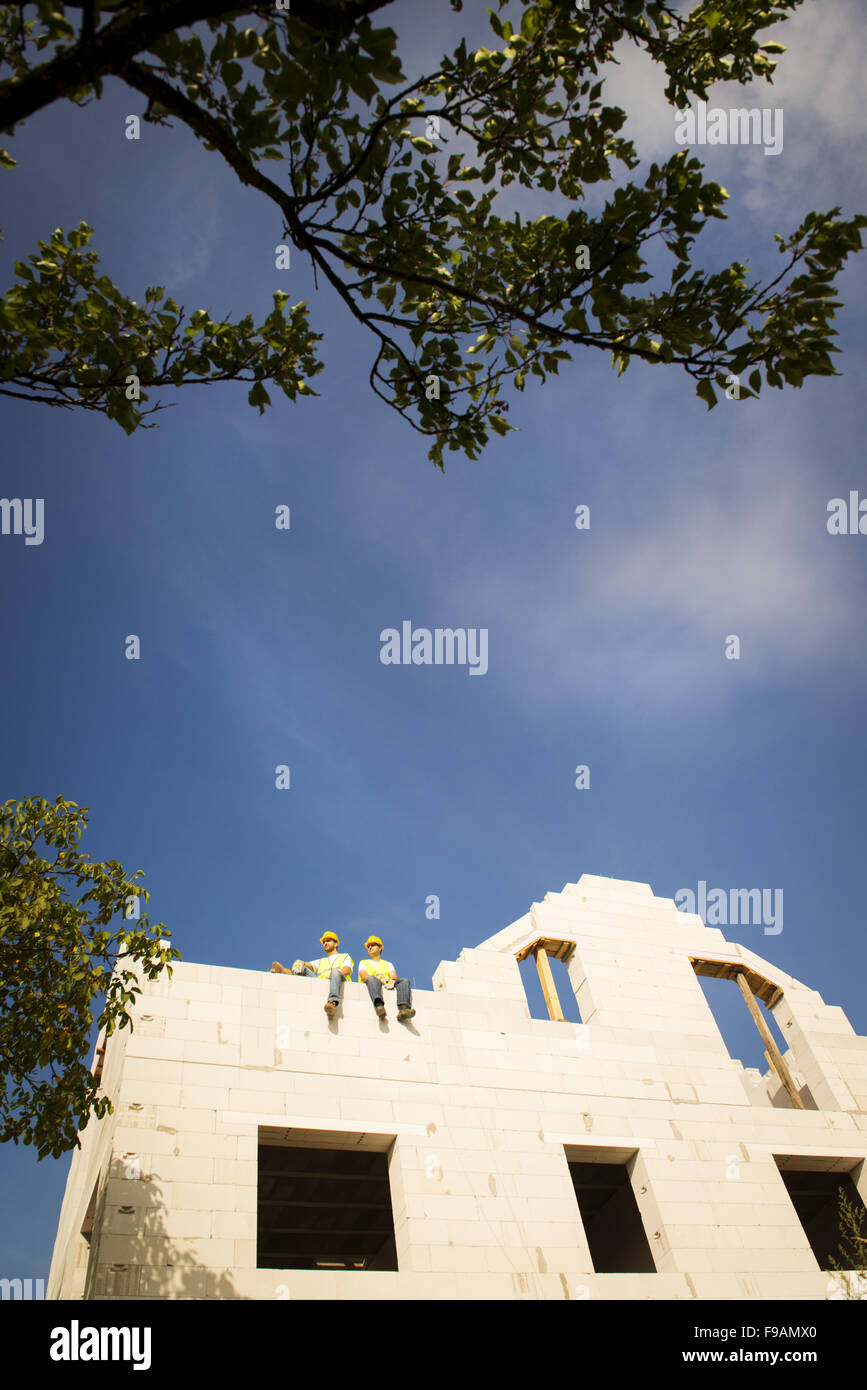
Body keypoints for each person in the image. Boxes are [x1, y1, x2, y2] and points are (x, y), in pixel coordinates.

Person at [270, 932, 353, 1017]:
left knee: (335, 972)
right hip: (322, 983)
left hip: (338, 982)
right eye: (324, 942)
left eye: (328, 941)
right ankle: (286, 972)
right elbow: (307, 964)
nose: (325, 943)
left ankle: (332, 1002)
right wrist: (300, 962)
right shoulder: (322, 961)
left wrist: (331, 976)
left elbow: (347, 970)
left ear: (336, 943)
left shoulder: (344, 956)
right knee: (303, 968)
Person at [358, 936, 415, 1022]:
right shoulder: (363, 962)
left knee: (404, 981)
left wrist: (391, 982)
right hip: (372, 985)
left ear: (380, 948)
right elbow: (364, 976)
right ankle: (379, 1006)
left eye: (373, 945)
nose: (370, 947)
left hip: (386, 985)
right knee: (372, 978)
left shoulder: (388, 964)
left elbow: (394, 977)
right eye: (368, 946)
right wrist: (379, 978)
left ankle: (404, 1009)